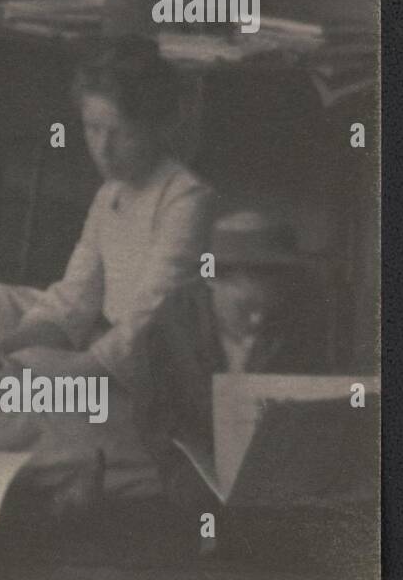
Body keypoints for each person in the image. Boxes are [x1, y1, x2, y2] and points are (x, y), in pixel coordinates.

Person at [0, 35, 216, 417]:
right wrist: (3, 350)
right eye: (93, 129)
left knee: (12, 397)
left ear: (156, 127)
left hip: (138, 369)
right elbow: (74, 297)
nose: (104, 149)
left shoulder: (186, 199)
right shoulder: (111, 193)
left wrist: (47, 376)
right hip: (95, 341)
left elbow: (147, 326)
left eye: (122, 133)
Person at [132, 209, 319, 498]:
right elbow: (155, 420)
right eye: (245, 309)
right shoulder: (170, 325)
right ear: (212, 282)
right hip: (191, 478)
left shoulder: (306, 319)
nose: (257, 323)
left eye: (267, 311)